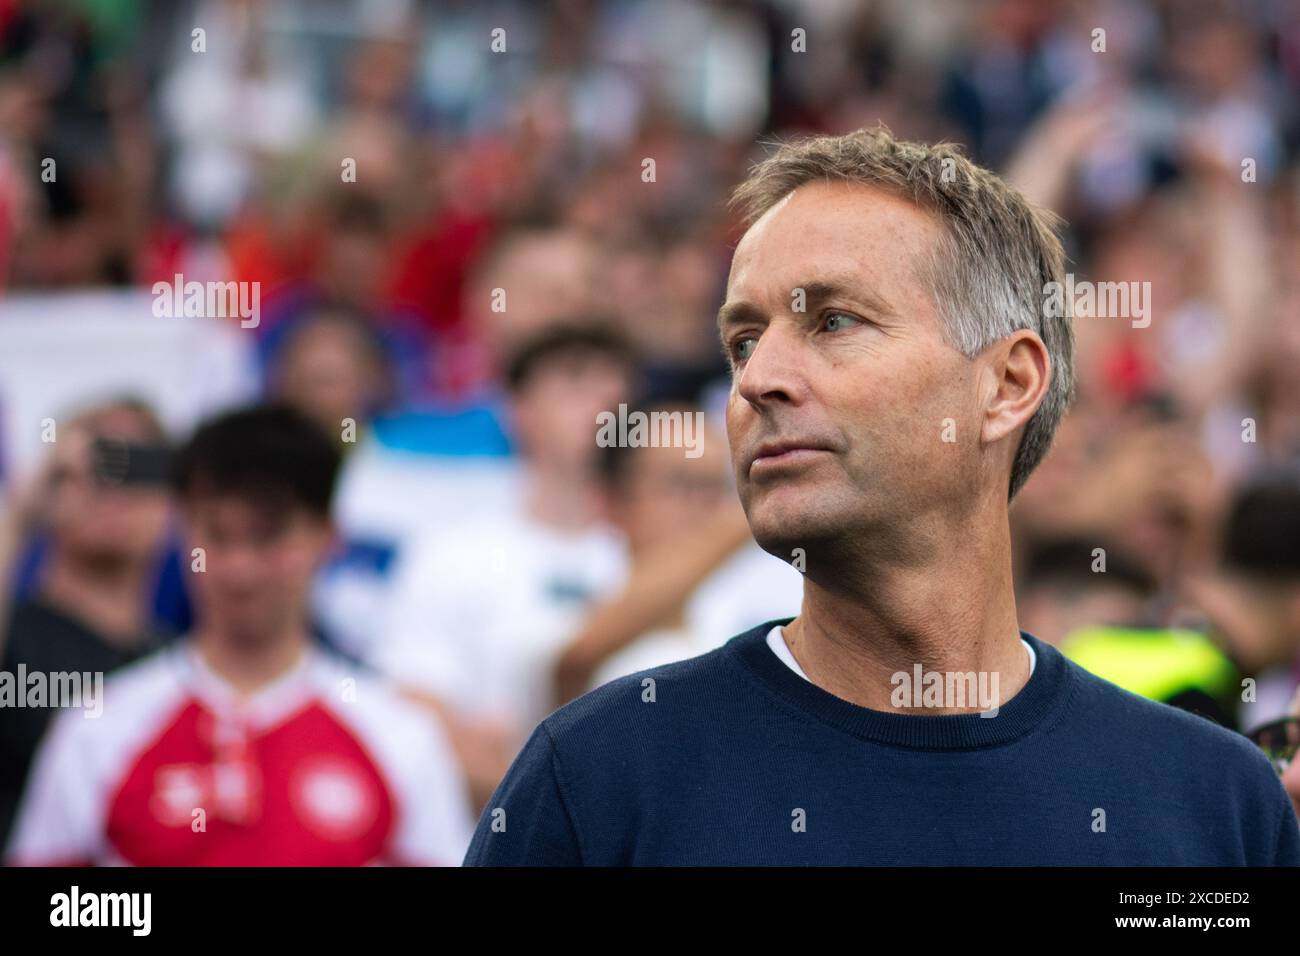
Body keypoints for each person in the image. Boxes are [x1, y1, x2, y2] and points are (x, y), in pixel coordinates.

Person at [464, 127, 1300, 866]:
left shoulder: (1215, 802)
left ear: (1008, 385)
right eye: (742, 340)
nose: (757, 380)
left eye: (833, 321)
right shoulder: (597, 780)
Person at [6, 405, 472, 865]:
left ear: (328, 537)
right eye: (218, 536)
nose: (239, 569)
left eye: (266, 537)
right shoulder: (100, 726)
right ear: (183, 531)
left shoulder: (398, 735)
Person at [0, 398, 174, 847]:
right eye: (97, 466)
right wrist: (19, 514)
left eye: (139, 468)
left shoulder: (181, 663)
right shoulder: (16, 637)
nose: (115, 491)